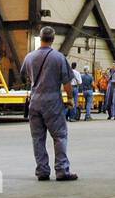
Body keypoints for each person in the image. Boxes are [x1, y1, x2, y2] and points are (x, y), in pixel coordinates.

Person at [22, 26, 77, 181]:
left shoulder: (29, 57)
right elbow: (67, 83)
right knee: (60, 136)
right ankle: (62, 170)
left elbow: (25, 76)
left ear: (40, 38)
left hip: (35, 101)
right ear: (53, 39)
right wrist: (70, 99)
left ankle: (42, 171)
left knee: (37, 138)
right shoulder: (59, 58)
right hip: (52, 101)